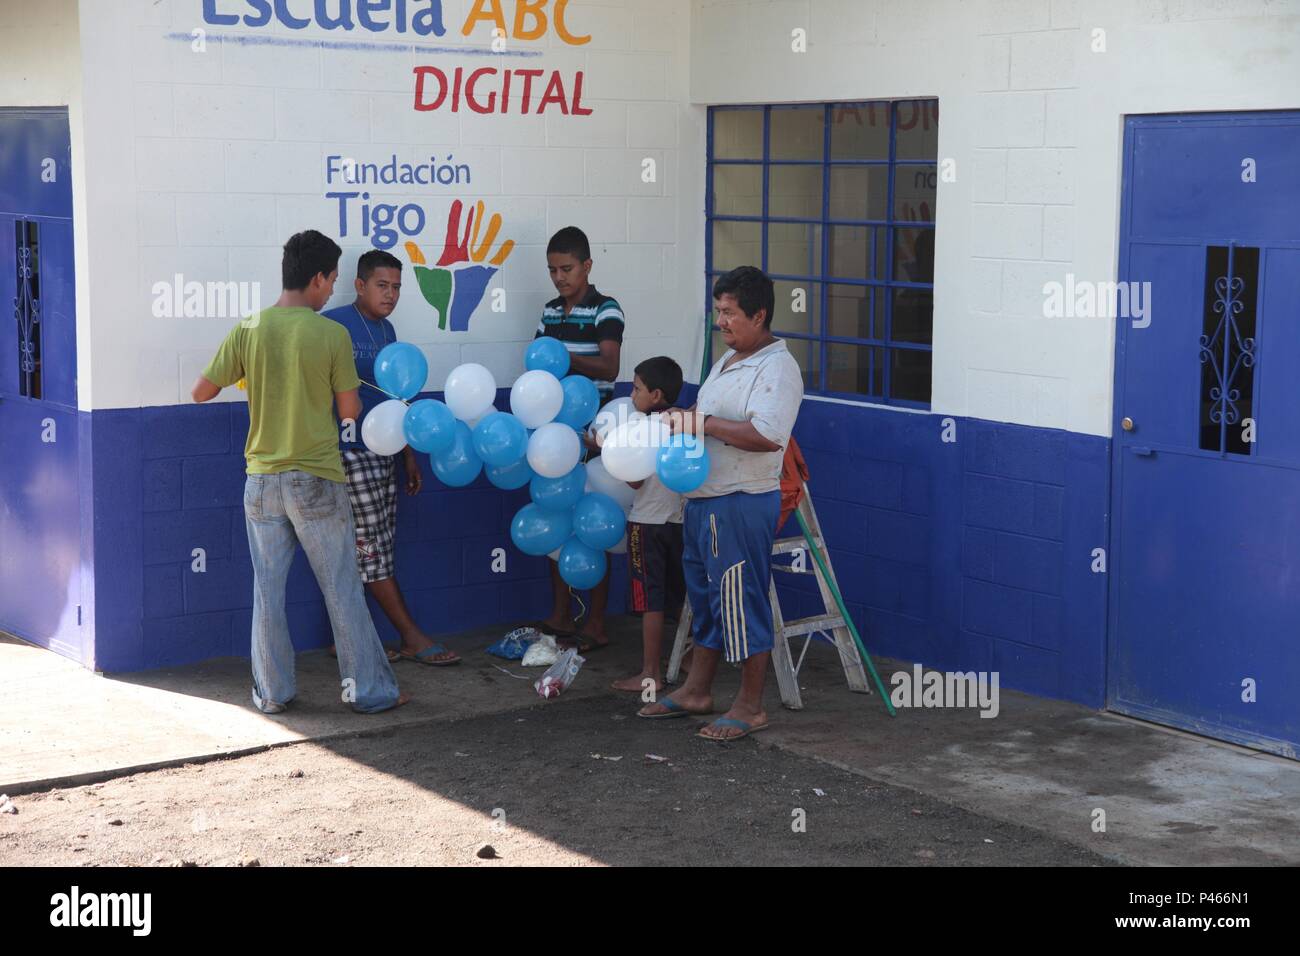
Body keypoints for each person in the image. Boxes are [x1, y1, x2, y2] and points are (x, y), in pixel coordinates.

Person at [191, 230, 406, 715]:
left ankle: (272, 693)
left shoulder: (249, 326)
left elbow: (201, 392)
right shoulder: (331, 334)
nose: (331, 291)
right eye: (331, 280)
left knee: (267, 592)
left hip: (260, 480)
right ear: (316, 278)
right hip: (316, 478)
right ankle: (366, 691)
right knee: (343, 588)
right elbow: (349, 411)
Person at [637, 266, 803, 741]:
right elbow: (711, 420)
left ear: (760, 314)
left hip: (741, 503)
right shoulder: (728, 360)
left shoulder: (777, 368)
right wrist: (687, 419)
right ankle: (696, 690)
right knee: (708, 602)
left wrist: (702, 423)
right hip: (705, 503)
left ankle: (750, 706)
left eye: (730, 314)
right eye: (719, 313)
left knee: (739, 599)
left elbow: (768, 436)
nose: (722, 323)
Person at [323, 250, 460, 666]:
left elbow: (396, 398)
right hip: (346, 453)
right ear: (360, 285)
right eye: (382, 285)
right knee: (370, 548)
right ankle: (412, 637)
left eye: (397, 287)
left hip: (384, 452)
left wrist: (408, 455)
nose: (391, 294)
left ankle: (345, 637)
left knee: (372, 545)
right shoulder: (331, 325)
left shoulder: (388, 331)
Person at [533, 226, 624, 652]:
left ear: (587, 266)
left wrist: (562, 356)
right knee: (554, 515)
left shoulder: (607, 308)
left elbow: (609, 368)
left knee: (592, 523)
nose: (559, 278)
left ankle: (597, 623)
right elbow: (538, 369)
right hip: (553, 434)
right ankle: (561, 614)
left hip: (592, 432)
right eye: (552, 270)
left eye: (566, 269)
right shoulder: (549, 312)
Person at [610, 357, 686, 693]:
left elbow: (635, 481)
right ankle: (690, 660)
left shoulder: (640, 429)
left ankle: (650, 673)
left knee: (650, 601)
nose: (632, 393)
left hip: (646, 522)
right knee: (685, 594)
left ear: (655, 394)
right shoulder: (684, 423)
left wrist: (606, 452)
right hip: (680, 520)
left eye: (637, 388)